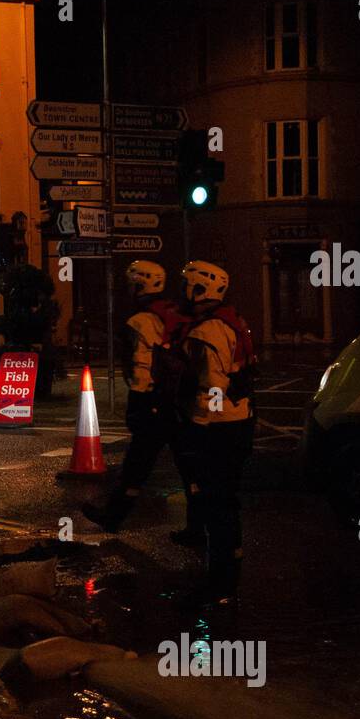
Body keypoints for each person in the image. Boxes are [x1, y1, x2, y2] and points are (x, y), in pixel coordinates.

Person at [80, 260, 203, 541]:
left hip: (154, 403)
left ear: (139, 285)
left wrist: (138, 402)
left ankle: (112, 517)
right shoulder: (174, 314)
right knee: (190, 470)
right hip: (180, 403)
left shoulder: (140, 321)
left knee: (137, 464)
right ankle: (197, 528)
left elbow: (141, 367)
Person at [177, 260, 257, 609]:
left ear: (199, 289)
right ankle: (227, 579)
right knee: (227, 504)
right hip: (241, 421)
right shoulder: (232, 322)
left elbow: (212, 386)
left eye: (187, 285)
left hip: (220, 428)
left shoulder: (207, 332)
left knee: (217, 506)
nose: (183, 292)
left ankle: (220, 584)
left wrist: (198, 428)